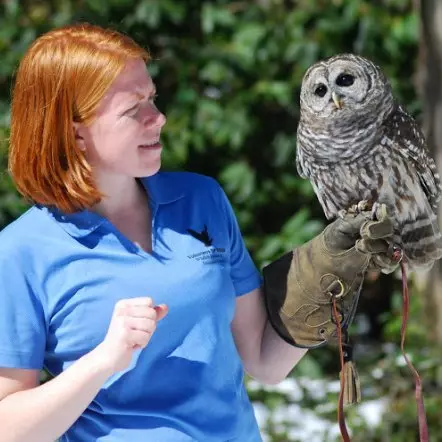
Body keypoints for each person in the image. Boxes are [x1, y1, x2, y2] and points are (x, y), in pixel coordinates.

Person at [0, 23, 395, 442]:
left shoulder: (200, 200)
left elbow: (263, 361)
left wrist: (329, 279)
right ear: (75, 132)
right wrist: (102, 361)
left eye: (152, 98)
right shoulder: (21, 253)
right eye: (134, 109)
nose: (159, 118)